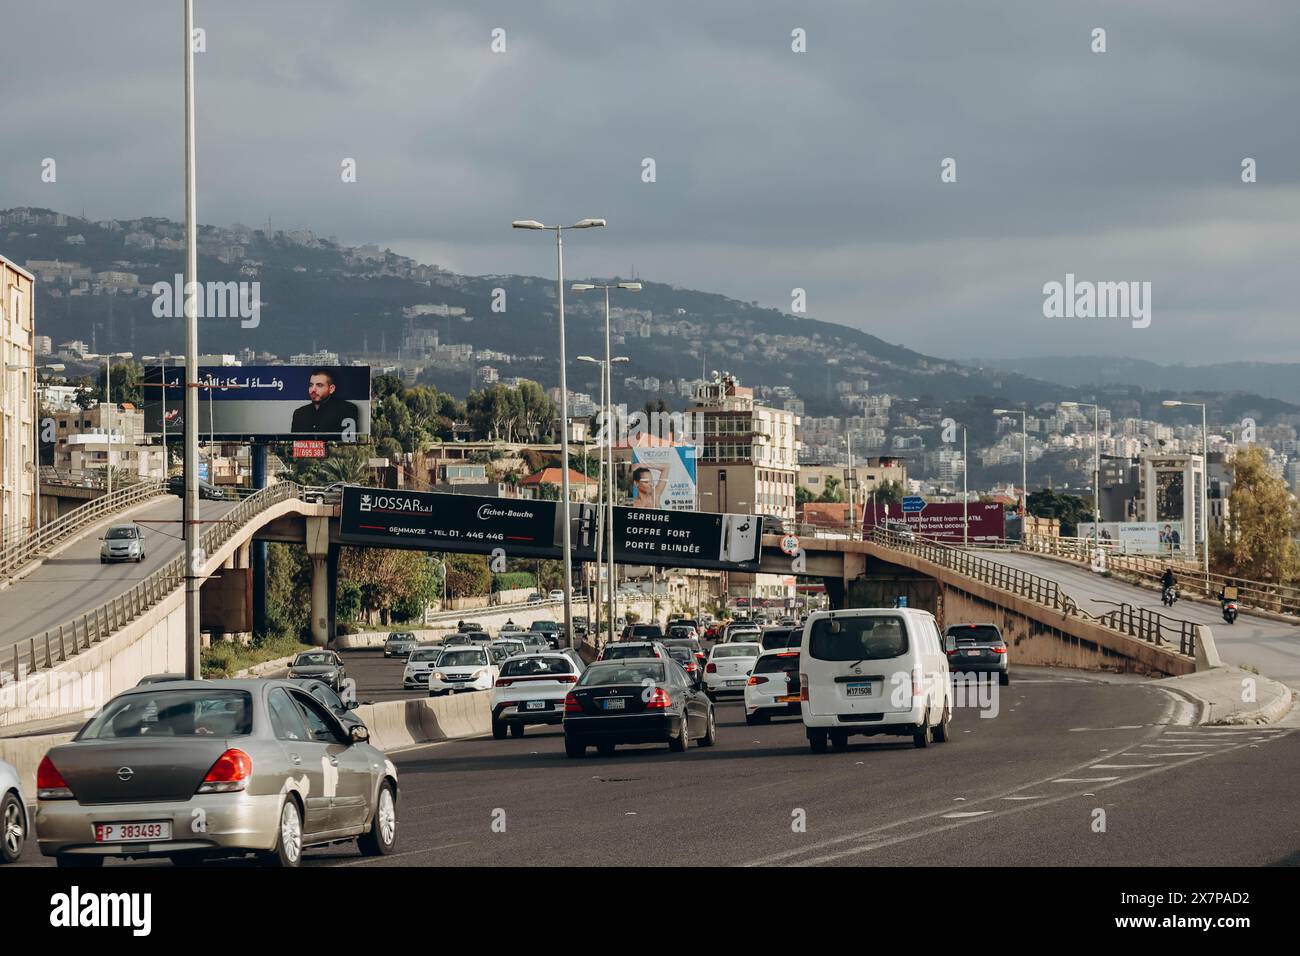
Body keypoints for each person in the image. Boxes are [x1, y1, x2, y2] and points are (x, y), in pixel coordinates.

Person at [290, 368, 360, 434]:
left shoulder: (347, 410)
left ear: (331, 389)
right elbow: (294, 443)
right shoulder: (299, 414)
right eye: (311, 385)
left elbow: (349, 443)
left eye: (319, 385)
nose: (313, 390)